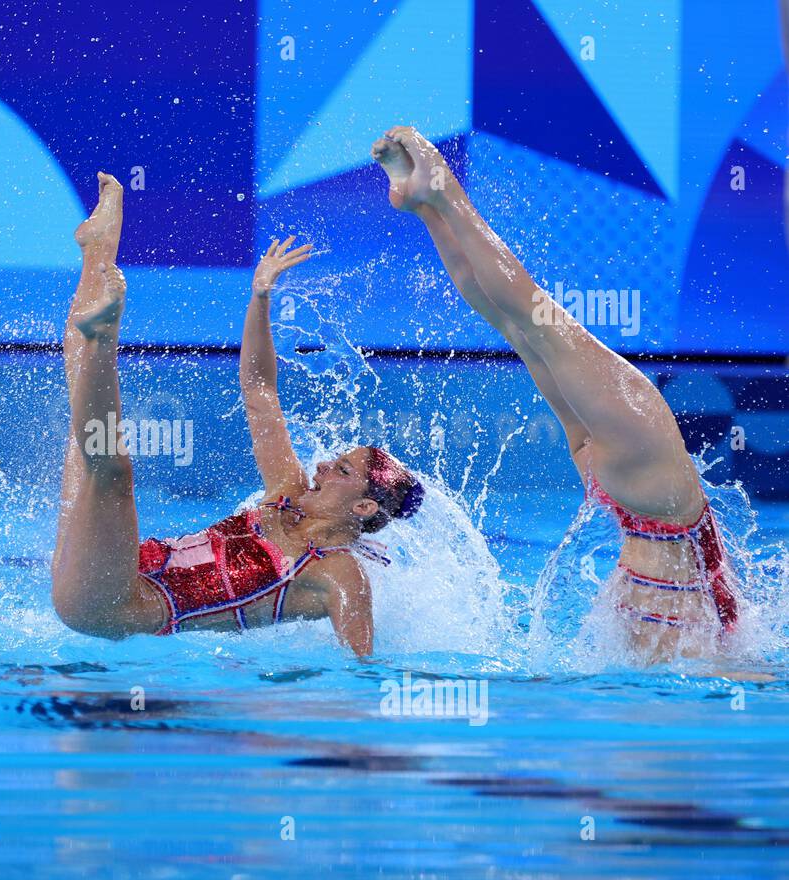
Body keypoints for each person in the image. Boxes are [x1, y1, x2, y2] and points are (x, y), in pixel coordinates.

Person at [371, 126, 738, 661]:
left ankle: (436, 202)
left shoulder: (716, 640)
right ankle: (434, 200)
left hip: (650, 495)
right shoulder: (707, 656)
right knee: (522, 324)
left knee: (528, 321)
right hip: (629, 500)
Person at [49, 173, 423, 655]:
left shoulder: (338, 573)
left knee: (112, 468)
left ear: (365, 507)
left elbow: (362, 668)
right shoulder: (286, 492)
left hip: (114, 607)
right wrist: (261, 297)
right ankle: (97, 253)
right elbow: (258, 388)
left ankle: (103, 335)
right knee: (87, 429)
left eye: (343, 470)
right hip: (98, 565)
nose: (324, 465)